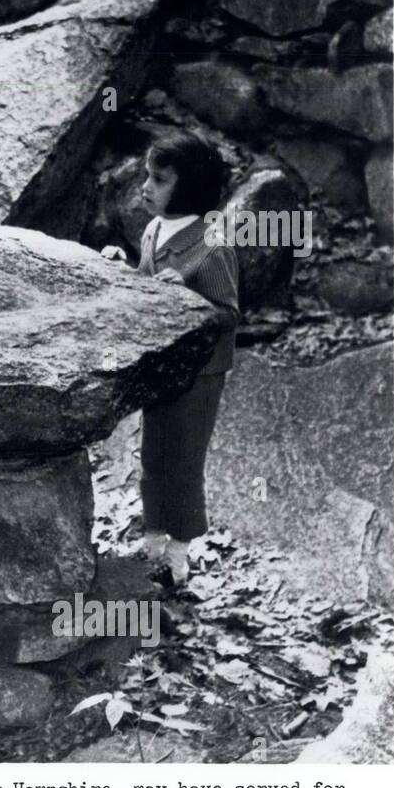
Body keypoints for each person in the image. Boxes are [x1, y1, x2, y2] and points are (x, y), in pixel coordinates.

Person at [101, 132, 238, 586]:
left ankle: (179, 555)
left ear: (191, 191)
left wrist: (187, 300)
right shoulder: (154, 230)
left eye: (158, 179)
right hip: (162, 366)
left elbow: (227, 314)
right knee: (155, 456)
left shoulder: (213, 247)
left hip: (199, 374)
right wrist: (120, 271)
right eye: (147, 175)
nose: (145, 186)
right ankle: (153, 541)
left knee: (184, 460)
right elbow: (146, 286)